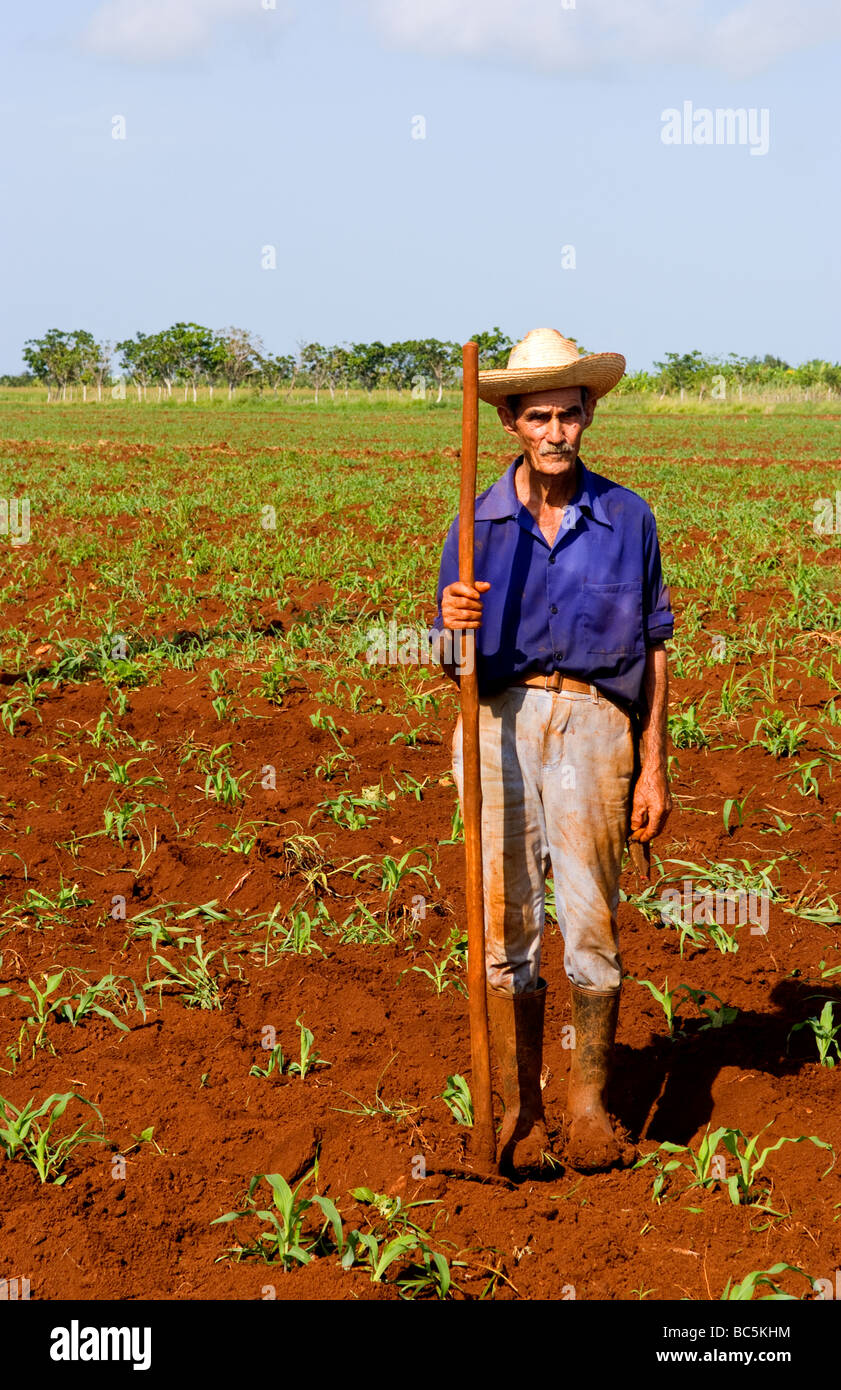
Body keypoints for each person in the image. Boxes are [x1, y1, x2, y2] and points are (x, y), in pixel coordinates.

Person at [432, 328, 674, 1175]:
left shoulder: (627, 516)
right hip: (497, 719)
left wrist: (654, 762)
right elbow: (446, 657)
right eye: (537, 416)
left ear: (589, 413)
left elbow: (653, 647)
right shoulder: (475, 524)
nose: (555, 432)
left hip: (595, 724)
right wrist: (453, 625)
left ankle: (588, 1108)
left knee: (591, 920)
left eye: (568, 415)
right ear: (509, 420)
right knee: (504, 920)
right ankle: (518, 1112)